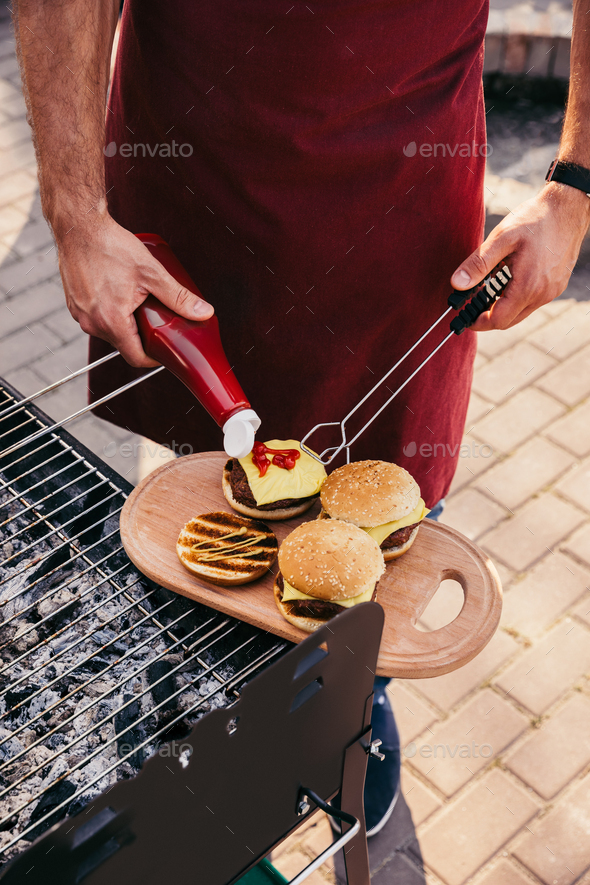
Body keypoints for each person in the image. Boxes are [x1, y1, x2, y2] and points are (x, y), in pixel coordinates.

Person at [13, 0, 590, 838]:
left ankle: (354, 721)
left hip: (402, 212)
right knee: (203, 517)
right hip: (193, 169)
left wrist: (575, 184)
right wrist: (74, 212)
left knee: (380, 528)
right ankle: (193, 721)